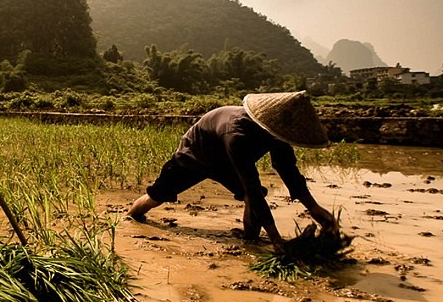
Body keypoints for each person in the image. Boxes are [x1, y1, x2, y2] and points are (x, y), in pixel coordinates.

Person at [126, 91, 339, 249]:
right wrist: (276, 239)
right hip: (195, 156)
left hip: (226, 163)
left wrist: (314, 208)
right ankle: (130, 217)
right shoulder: (237, 134)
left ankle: (251, 241)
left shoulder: (278, 134)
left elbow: (288, 171)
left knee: (251, 196)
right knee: (157, 195)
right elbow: (251, 183)